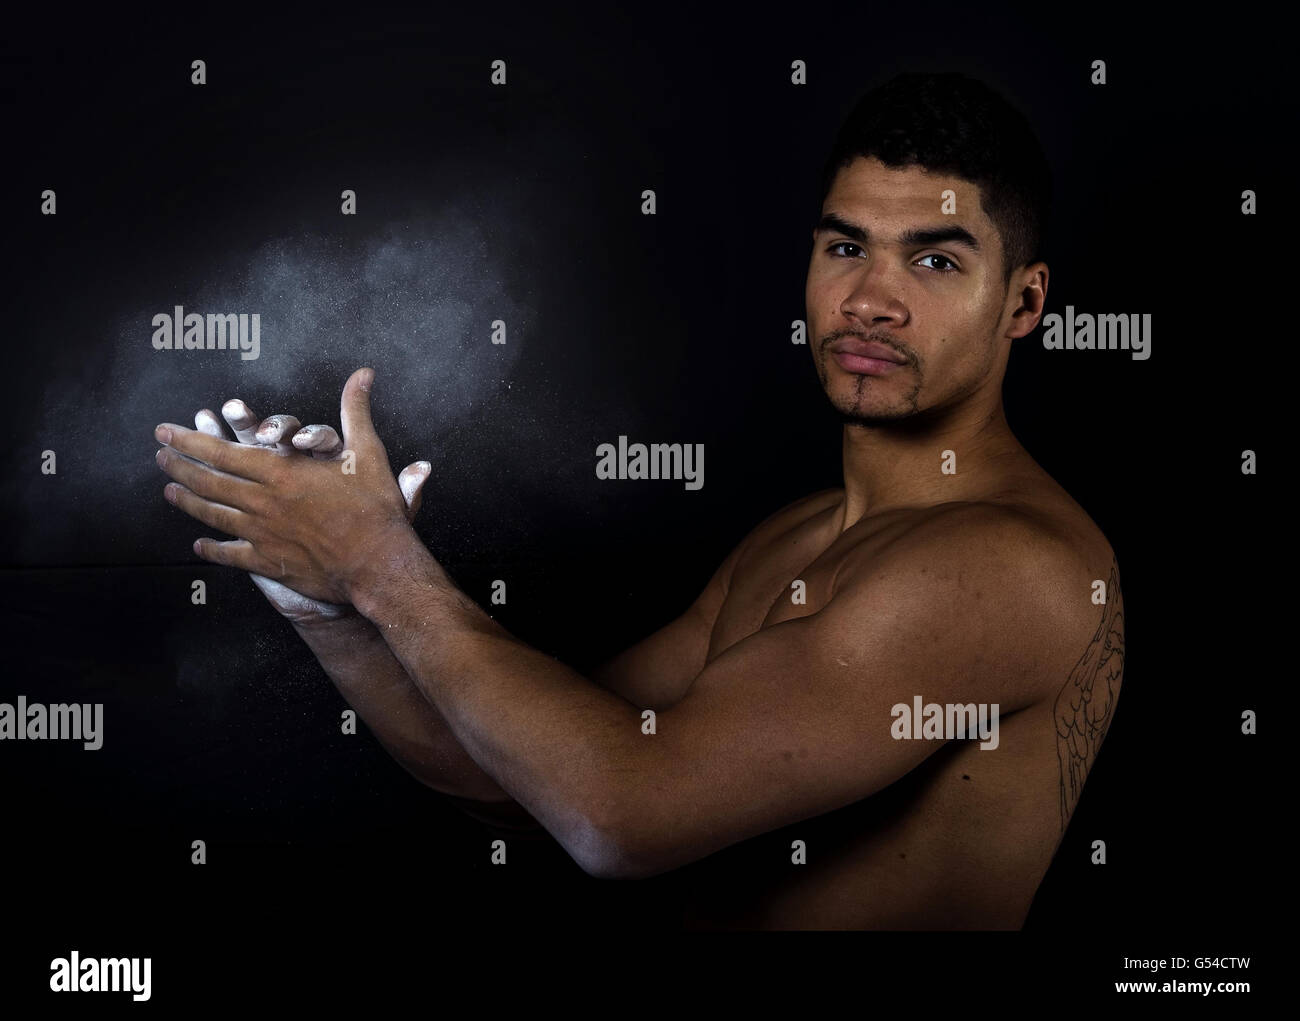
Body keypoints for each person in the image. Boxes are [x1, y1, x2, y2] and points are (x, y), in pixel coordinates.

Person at [154, 71, 1125, 928]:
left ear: (1025, 303)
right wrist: (338, 610)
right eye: (844, 247)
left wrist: (381, 565)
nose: (871, 298)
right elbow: (522, 791)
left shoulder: (1003, 564)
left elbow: (622, 815)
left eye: (934, 260)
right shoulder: (793, 540)